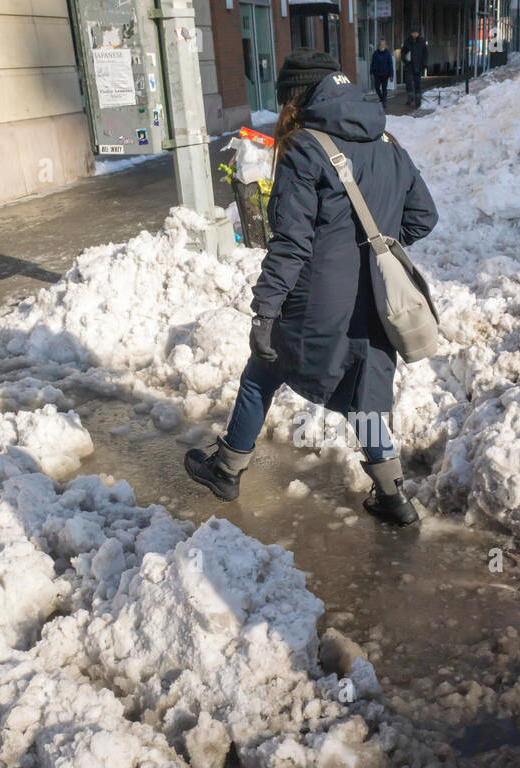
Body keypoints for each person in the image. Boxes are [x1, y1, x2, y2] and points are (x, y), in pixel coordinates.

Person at [184, 50, 439, 526]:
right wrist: (376, 242)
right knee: (364, 397)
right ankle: (392, 496)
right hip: (377, 306)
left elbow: (291, 245)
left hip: (318, 304)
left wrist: (264, 312)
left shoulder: (305, 148)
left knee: (263, 368)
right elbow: (424, 217)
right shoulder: (388, 141)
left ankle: (226, 467)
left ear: (295, 100)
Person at [401, 29, 428, 107]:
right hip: (409, 65)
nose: (414, 34)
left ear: (418, 33)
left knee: (417, 82)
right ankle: (410, 96)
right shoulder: (407, 41)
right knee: (408, 81)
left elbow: (425, 53)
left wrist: (424, 63)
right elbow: (403, 52)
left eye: (416, 33)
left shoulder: (422, 41)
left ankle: (417, 98)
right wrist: (405, 61)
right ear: (411, 33)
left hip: (418, 65)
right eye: (413, 33)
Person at [370, 40, 394, 107]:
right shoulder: (375, 53)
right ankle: (381, 98)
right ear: (378, 46)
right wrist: (371, 71)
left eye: (383, 45)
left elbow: (390, 65)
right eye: (381, 45)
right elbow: (372, 63)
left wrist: (391, 75)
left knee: (384, 88)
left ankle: (384, 101)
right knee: (377, 88)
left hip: (385, 74)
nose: (382, 46)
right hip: (377, 73)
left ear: (385, 46)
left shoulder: (387, 54)